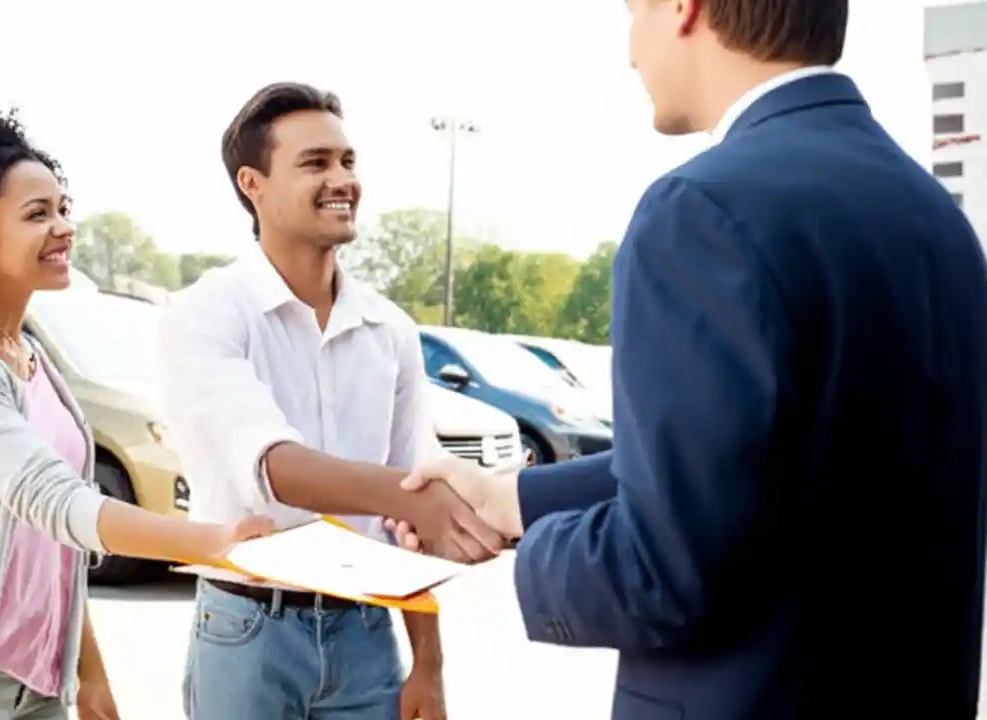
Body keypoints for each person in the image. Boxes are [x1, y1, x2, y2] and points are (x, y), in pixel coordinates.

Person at [391, 1, 987, 718]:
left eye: (632, 11)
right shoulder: (936, 216)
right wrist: (508, 500)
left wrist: (507, 563)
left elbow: (664, 568)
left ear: (683, 8)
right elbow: (768, 474)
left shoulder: (700, 209)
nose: (630, 50)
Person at [0, 102, 273, 720]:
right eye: (38, 214)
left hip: (41, 682)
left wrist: (88, 673)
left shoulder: (29, 357)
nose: (64, 227)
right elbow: (59, 500)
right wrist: (217, 543)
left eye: (64, 208)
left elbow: (53, 542)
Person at [158, 82, 503, 720]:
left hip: (367, 637)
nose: (341, 178)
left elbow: (408, 527)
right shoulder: (207, 314)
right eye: (315, 163)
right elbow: (280, 471)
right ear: (252, 184)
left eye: (347, 161)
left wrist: (429, 663)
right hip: (247, 634)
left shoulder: (390, 329)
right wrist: (428, 497)